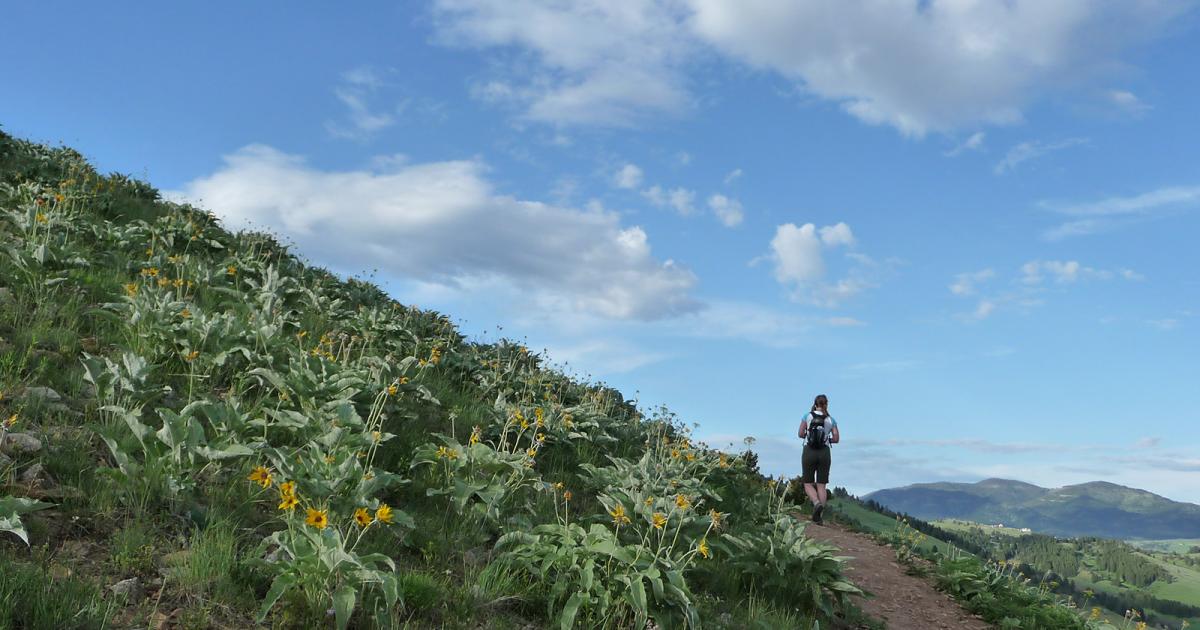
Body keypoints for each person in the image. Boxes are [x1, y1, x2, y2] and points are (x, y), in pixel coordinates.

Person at [798, 394, 839, 524]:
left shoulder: (807, 416)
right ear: (826, 404)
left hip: (809, 450)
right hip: (824, 452)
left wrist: (809, 436)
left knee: (808, 483)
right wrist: (827, 439)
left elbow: (800, 433)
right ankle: (819, 516)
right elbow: (837, 438)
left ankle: (816, 503)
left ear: (815, 404)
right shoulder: (831, 420)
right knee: (821, 485)